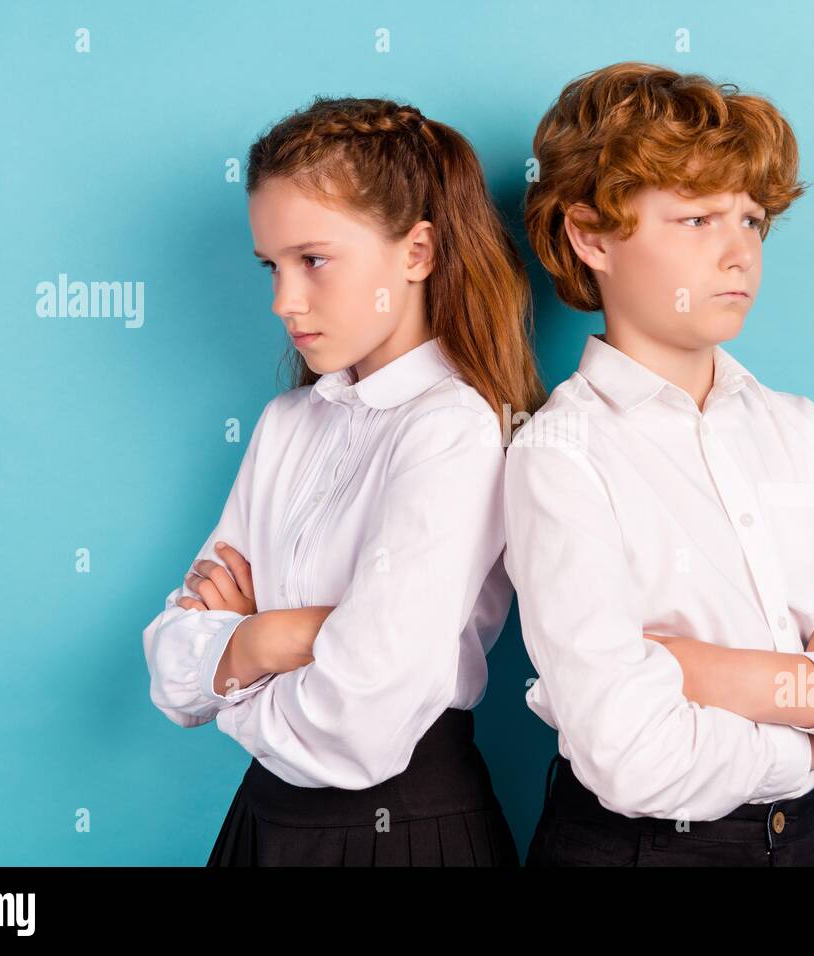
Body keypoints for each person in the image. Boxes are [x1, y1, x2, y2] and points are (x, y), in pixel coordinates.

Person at [506, 61, 814, 866]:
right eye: (695, 220)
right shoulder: (559, 453)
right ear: (590, 236)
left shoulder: (801, 432)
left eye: (751, 220)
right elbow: (634, 758)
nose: (739, 255)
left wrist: (725, 677)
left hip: (811, 845)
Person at [142, 95, 544, 866]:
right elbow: (170, 664)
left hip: (399, 833)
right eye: (273, 265)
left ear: (416, 253)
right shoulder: (287, 424)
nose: (283, 301)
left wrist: (245, 650)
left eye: (314, 259)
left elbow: (359, 723)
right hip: (263, 826)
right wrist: (286, 636)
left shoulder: (453, 429)